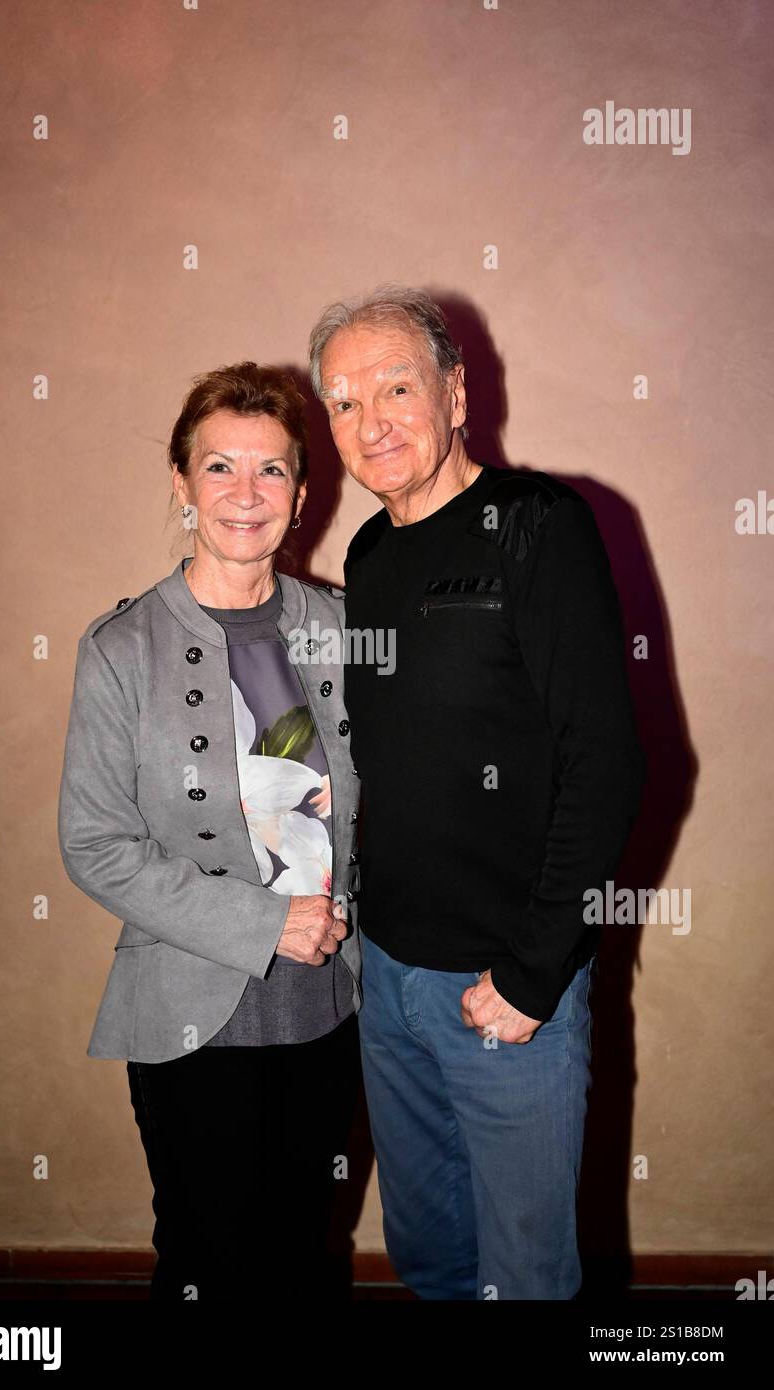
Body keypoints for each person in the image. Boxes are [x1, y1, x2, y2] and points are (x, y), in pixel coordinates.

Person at [307, 286, 646, 1300]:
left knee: (527, 1274)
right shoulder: (368, 554)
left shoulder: (538, 527)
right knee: (433, 1257)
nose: (371, 422)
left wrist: (536, 973)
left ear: (456, 393)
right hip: (391, 978)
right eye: (343, 401)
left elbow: (606, 763)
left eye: (397, 387)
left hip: (505, 988)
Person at [57, 362, 363, 1300]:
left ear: (304, 494)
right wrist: (262, 924)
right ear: (181, 484)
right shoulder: (122, 647)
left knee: (306, 1250)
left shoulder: (346, 630)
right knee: (208, 1257)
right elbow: (94, 841)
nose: (245, 493)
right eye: (219, 467)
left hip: (332, 1004)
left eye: (271, 471)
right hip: (190, 1011)